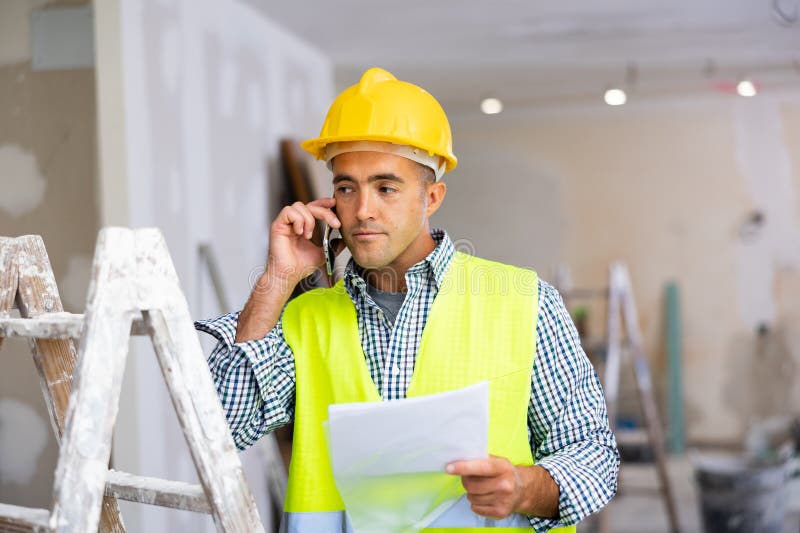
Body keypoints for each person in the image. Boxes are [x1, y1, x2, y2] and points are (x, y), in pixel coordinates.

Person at [196, 67, 618, 533]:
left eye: (386, 187)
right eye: (345, 187)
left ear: (431, 197)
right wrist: (276, 278)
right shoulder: (302, 318)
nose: (362, 210)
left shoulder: (525, 303)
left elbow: (593, 455)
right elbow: (219, 429)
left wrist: (522, 488)